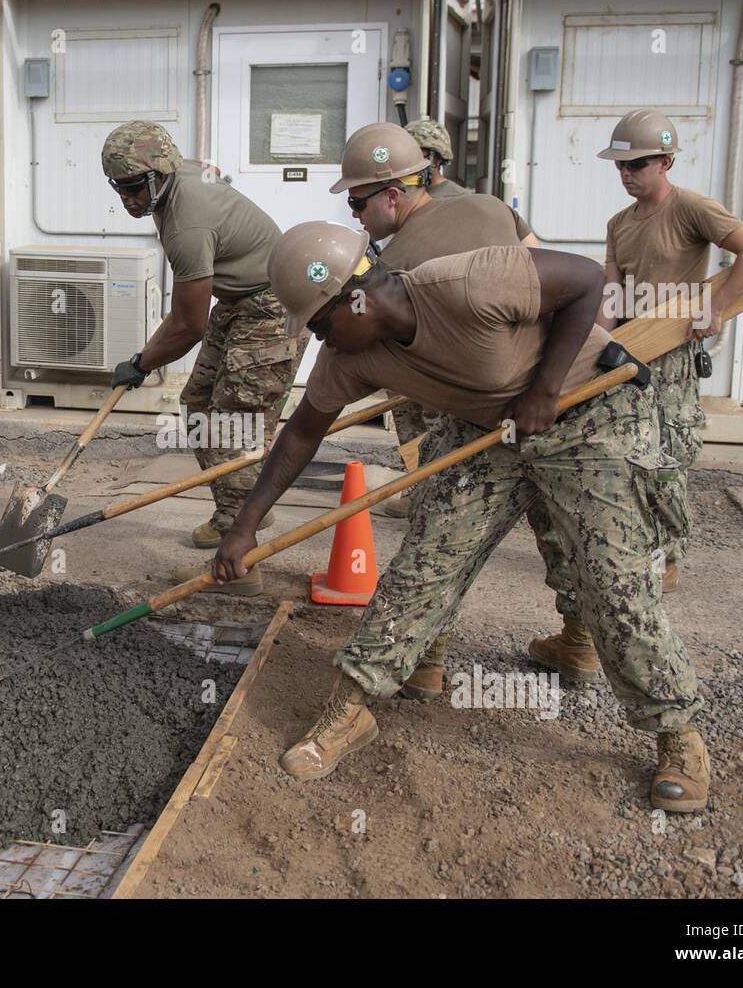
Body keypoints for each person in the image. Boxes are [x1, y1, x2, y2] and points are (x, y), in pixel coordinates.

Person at [213, 221, 712, 813]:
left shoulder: (466, 284)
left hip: (586, 415)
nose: (321, 340)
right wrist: (243, 527)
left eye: (320, 324)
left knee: (614, 581)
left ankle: (677, 736)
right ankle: (349, 712)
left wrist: (545, 388)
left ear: (357, 295)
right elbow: (300, 435)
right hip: (485, 432)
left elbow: (584, 280)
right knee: (422, 570)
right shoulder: (350, 356)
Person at [526, 109, 743, 683]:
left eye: (637, 164)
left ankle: (668, 558)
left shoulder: (691, 208)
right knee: (630, 449)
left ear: (665, 160)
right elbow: (611, 290)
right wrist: (594, 346)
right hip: (633, 350)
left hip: (675, 349)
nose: (627, 174)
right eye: (620, 165)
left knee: (673, 449)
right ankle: (640, 552)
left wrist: (719, 308)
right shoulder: (620, 221)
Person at [331, 120, 527, 699]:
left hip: (517, 405)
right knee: (452, 541)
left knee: (439, 541)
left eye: (358, 200)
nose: (354, 214)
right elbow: (548, 267)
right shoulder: (492, 209)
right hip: (509, 402)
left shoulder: (402, 259)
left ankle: (427, 660)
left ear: (394, 192)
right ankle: (573, 646)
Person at [101, 120, 303, 594]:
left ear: (160, 175)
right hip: (238, 302)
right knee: (198, 406)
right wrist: (145, 357)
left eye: (135, 188)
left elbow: (189, 324)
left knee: (233, 428)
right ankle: (237, 509)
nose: (128, 199)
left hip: (273, 308)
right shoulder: (176, 179)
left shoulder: (187, 224)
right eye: (120, 188)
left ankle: (240, 564)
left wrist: (141, 362)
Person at [404, 115, 538, 244]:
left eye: (418, 155)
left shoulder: (459, 198)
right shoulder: (400, 194)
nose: (410, 162)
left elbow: (528, 246)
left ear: (437, 157)